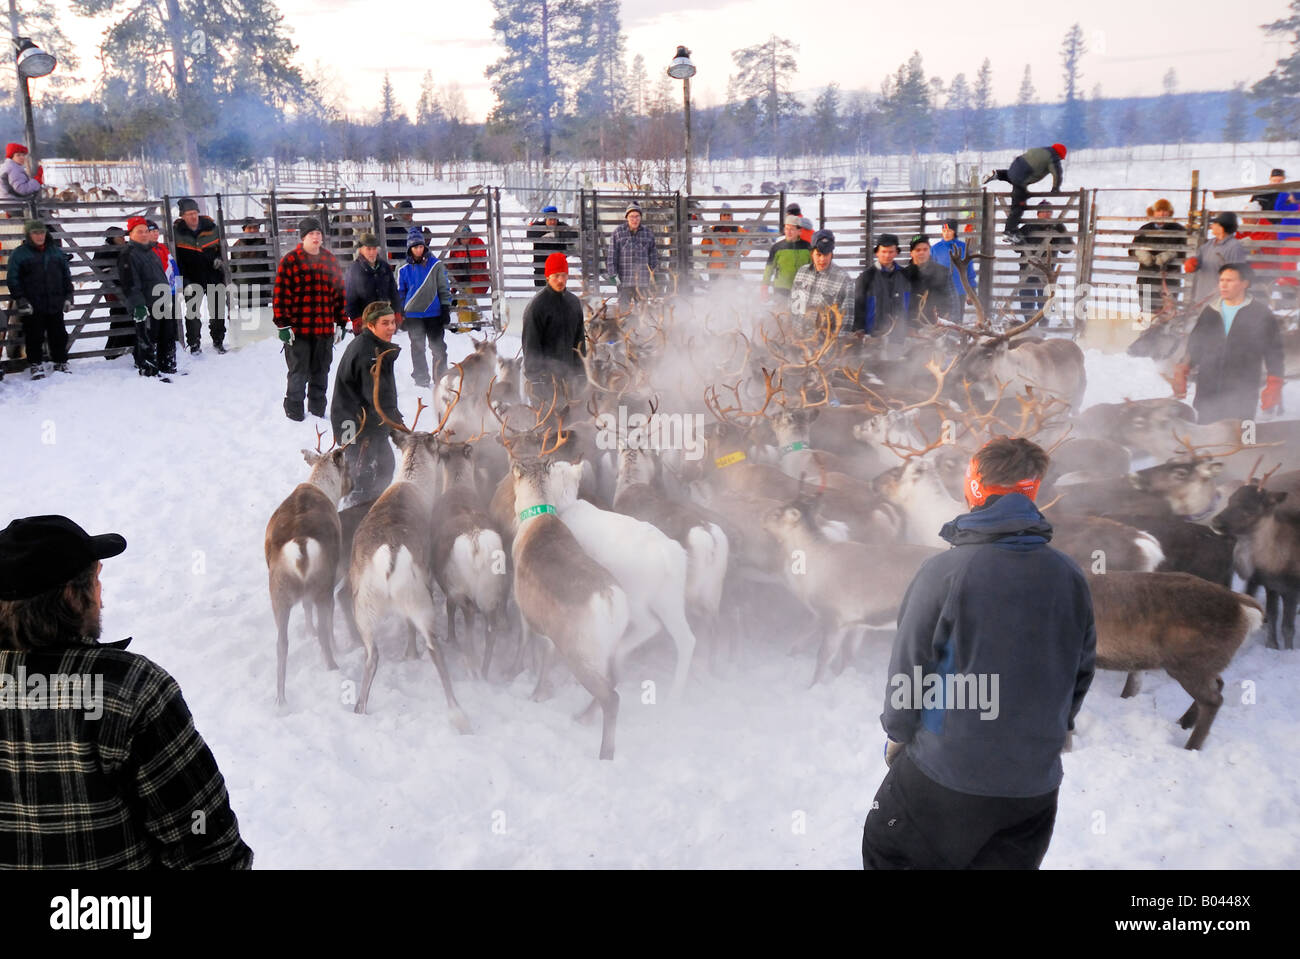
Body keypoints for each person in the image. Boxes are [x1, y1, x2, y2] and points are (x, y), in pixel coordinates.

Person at [861, 436, 1096, 870]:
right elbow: (1079, 670)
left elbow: (911, 668)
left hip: (945, 775)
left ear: (976, 487)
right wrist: (1049, 733)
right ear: (1034, 491)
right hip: (1032, 790)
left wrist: (898, 734)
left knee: (887, 853)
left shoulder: (944, 572)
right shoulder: (1069, 575)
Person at [0, 514, 254, 868]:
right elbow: (208, 845)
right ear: (73, 597)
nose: (102, 597)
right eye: (97, 581)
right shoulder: (132, 691)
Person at [1173, 263, 1284, 424]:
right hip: (1208, 393)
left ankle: (1246, 446)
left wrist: (1275, 382)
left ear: (1245, 283)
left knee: (1243, 442)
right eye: (1221, 280)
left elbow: (1274, 352)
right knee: (1206, 442)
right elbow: (1195, 344)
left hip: (1242, 394)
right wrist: (1183, 367)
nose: (1223, 285)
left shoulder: (1260, 314)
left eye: (1230, 280)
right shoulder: (1210, 311)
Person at [272, 216, 347, 421]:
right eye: (311, 234)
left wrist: (341, 322)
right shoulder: (290, 261)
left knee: (321, 372)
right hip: (299, 332)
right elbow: (280, 296)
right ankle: (294, 413)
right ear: (303, 238)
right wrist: (283, 325)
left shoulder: (330, 260)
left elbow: (339, 294)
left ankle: (317, 411)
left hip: (323, 331)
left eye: (318, 233)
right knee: (298, 373)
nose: (316, 237)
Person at [330, 301, 404, 504]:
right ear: (371, 325)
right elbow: (376, 398)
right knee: (361, 477)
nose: (392, 328)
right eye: (385, 323)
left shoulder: (375, 347)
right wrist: (395, 424)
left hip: (364, 422)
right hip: (355, 425)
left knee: (383, 468)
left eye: (393, 322)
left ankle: (370, 508)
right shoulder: (368, 355)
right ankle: (354, 516)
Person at [6, 219, 73, 379]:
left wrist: (69, 296)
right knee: (33, 335)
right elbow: (13, 278)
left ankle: (60, 361)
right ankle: (35, 364)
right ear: (29, 235)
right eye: (35, 233)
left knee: (59, 334)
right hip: (33, 303)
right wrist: (21, 299)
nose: (40, 235)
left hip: (55, 301)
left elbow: (66, 276)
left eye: (42, 232)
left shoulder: (55, 252)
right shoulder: (19, 253)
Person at [118, 215, 176, 380]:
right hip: (146, 303)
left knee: (167, 335)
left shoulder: (151, 251)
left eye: (145, 231)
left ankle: (168, 366)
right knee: (147, 338)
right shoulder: (128, 254)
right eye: (139, 232)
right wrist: (138, 305)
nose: (144, 234)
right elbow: (130, 283)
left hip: (162, 301)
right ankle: (148, 371)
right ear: (131, 234)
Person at [521, 251, 586, 397]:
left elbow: (579, 340)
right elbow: (530, 345)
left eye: (564, 275)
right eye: (556, 276)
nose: (560, 280)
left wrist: (581, 372)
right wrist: (535, 380)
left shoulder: (574, 303)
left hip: (569, 377)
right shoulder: (537, 306)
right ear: (547, 276)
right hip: (545, 379)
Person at [396, 226, 452, 389]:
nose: (418, 249)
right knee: (417, 348)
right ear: (409, 249)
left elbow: (444, 287)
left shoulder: (436, 265)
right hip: (413, 315)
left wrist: (445, 307)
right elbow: (400, 292)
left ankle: (440, 376)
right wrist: (401, 314)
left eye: (421, 246)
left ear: (424, 247)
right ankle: (421, 377)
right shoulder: (403, 269)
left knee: (438, 347)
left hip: (433, 313)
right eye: (415, 247)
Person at [173, 197, 227, 354]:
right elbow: (176, 259)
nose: (193, 216)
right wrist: (183, 281)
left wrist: (219, 260)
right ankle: (194, 343)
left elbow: (222, 249)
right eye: (189, 214)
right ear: (182, 216)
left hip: (212, 276)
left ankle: (218, 340)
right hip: (191, 277)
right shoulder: (177, 233)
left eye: (195, 213)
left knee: (217, 311)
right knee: (192, 313)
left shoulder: (212, 228)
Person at [982, 143, 1067, 242]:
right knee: (1018, 207)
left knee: (1013, 176)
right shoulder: (1053, 158)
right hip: (1022, 179)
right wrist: (1055, 188)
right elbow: (1057, 173)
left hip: (1015, 166)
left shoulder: (1042, 150)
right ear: (1060, 154)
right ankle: (1009, 232)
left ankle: (998, 174)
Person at [1128, 198, 1188, 316]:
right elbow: (1132, 249)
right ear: (1153, 213)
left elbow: (1186, 250)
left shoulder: (1178, 229)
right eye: (1159, 210)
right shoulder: (1145, 229)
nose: (1162, 214)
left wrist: (1173, 253)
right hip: (1146, 278)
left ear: (1170, 213)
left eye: (1165, 211)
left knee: (1167, 314)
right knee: (1146, 313)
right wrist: (1139, 253)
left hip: (1168, 280)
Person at [1016, 202, 1074, 321]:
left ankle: (1043, 330)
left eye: (1049, 212)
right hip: (1027, 269)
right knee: (1027, 300)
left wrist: (1063, 233)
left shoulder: (1057, 228)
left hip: (1047, 271)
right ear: (1038, 214)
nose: (1047, 214)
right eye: (1044, 212)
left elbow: (1067, 250)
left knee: (1046, 302)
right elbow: (1016, 248)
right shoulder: (1028, 227)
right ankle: (1028, 327)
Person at [789, 229, 855, 332]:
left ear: (831, 254)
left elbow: (847, 320)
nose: (822, 260)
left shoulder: (844, 280)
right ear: (812, 254)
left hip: (824, 344)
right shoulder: (802, 273)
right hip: (798, 339)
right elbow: (793, 306)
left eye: (826, 255)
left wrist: (837, 345)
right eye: (818, 255)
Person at [855, 233, 910, 340]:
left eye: (891, 252)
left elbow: (910, 305)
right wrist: (859, 329)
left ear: (896, 252)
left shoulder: (905, 276)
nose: (887, 255)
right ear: (877, 252)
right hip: (873, 338)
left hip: (898, 337)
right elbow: (858, 306)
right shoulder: (866, 277)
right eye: (883, 251)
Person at [1184, 212, 1249, 304]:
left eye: (1214, 224)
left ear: (1222, 227)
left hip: (1221, 301)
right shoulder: (1209, 244)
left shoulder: (1234, 247)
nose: (1211, 226)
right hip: (1202, 298)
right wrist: (1192, 263)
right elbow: (1198, 260)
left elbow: (1237, 275)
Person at [606, 201, 658, 309]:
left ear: (640, 217)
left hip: (643, 281)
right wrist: (613, 275)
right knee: (623, 311)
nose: (634, 219)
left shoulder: (648, 234)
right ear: (627, 217)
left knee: (642, 311)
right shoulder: (618, 233)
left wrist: (653, 274)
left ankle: (642, 326)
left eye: (637, 216)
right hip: (624, 281)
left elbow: (653, 256)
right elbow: (612, 256)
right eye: (631, 216)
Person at [345, 232, 401, 335]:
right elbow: (350, 298)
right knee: (367, 350)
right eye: (368, 249)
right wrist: (356, 319)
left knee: (385, 350)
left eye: (374, 249)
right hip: (365, 322)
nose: (372, 252)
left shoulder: (384, 267)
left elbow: (393, 291)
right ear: (361, 250)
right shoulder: (354, 269)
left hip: (385, 319)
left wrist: (397, 312)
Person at [930, 219, 978, 323]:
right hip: (941, 292)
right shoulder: (935, 249)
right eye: (944, 230)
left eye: (949, 231)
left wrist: (972, 290)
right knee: (942, 321)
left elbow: (969, 270)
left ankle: (957, 339)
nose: (946, 233)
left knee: (957, 321)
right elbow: (931, 271)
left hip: (959, 291)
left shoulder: (963, 247)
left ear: (954, 232)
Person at [95, 226, 132, 356]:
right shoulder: (103, 251)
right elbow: (101, 271)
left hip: (130, 289)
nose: (123, 239)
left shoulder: (128, 247)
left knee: (130, 318)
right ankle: (113, 351)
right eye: (119, 237)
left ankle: (126, 348)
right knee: (118, 317)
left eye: (123, 236)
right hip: (114, 292)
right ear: (111, 238)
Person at [760, 215, 812, 303]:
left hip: (802, 288)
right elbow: (769, 268)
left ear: (799, 231)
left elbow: (813, 268)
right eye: (787, 229)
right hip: (781, 288)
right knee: (781, 313)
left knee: (799, 314)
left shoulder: (807, 247)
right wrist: (764, 286)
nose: (789, 232)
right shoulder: (777, 248)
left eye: (792, 229)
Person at [902, 235, 951, 324]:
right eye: (918, 250)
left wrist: (948, 324)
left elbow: (952, 301)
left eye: (925, 249)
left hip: (938, 327)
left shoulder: (943, 272)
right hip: (912, 330)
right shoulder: (903, 276)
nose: (922, 253)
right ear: (911, 253)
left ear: (930, 251)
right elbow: (899, 307)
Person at [527, 205, 576, 288]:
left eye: (554, 219)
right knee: (541, 291)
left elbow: (574, 234)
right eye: (550, 219)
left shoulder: (562, 226)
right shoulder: (538, 226)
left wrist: (556, 234)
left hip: (558, 267)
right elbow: (530, 234)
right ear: (545, 218)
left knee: (557, 290)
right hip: (542, 267)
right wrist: (544, 233)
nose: (553, 222)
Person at [700, 204, 749, 281]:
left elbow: (746, 250)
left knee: (729, 291)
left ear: (732, 216)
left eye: (728, 215)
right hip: (715, 269)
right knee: (716, 291)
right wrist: (706, 237)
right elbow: (704, 250)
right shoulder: (713, 229)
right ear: (720, 216)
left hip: (731, 270)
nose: (726, 217)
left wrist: (740, 249)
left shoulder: (739, 230)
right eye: (724, 215)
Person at [446, 224, 489, 298]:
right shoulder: (455, 246)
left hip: (477, 281)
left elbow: (481, 254)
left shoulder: (477, 242)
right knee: (465, 304)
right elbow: (453, 267)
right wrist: (454, 288)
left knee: (466, 304)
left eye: (467, 237)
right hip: (462, 283)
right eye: (462, 238)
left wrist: (463, 255)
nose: (465, 240)